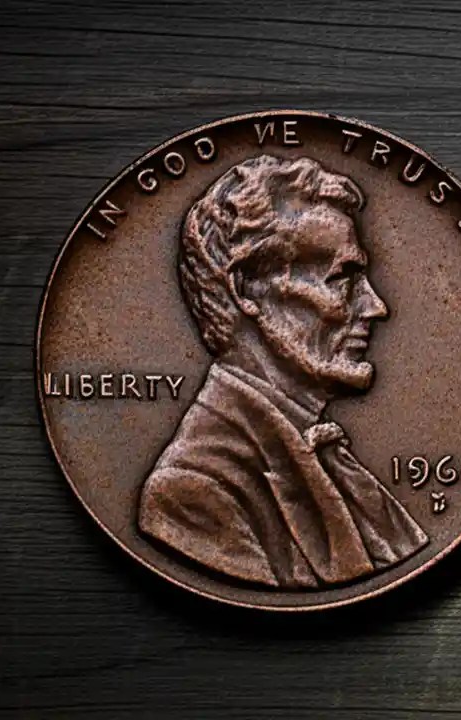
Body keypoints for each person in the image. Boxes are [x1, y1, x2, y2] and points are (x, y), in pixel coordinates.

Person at [138, 155, 427, 589]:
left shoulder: (324, 451)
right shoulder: (190, 492)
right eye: (341, 278)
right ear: (246, 289)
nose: (375, 306)